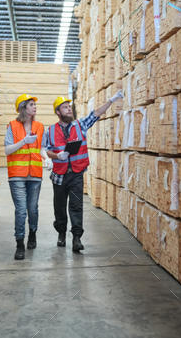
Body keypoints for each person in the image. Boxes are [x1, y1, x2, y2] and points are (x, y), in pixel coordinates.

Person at [43, 91, 123, 252]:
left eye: (69, 107)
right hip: (58, 175)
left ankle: (77, 238)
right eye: (65, 107)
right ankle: (61, 233)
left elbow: (96, 113)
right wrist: (56, 156)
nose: (69, 109)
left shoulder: (80, 125)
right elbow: (45, 150)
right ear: (58, 112)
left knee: (76, 206)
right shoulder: (50, 131)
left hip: (76, 174)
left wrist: (112, 100)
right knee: (59, 207)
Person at [4, 94, 53, 260]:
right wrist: (24, 141)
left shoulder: (39, 127)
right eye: (31, 104)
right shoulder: (12, 126)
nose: (35, 107)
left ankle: (33, 232)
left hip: (35, 175)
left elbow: (41, 149)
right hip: (17, 175)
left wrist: (47, 159)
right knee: (20, 210)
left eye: (35, 105)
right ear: (23, 107)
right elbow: (7, 150)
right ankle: (19, 243)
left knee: (32, 209)